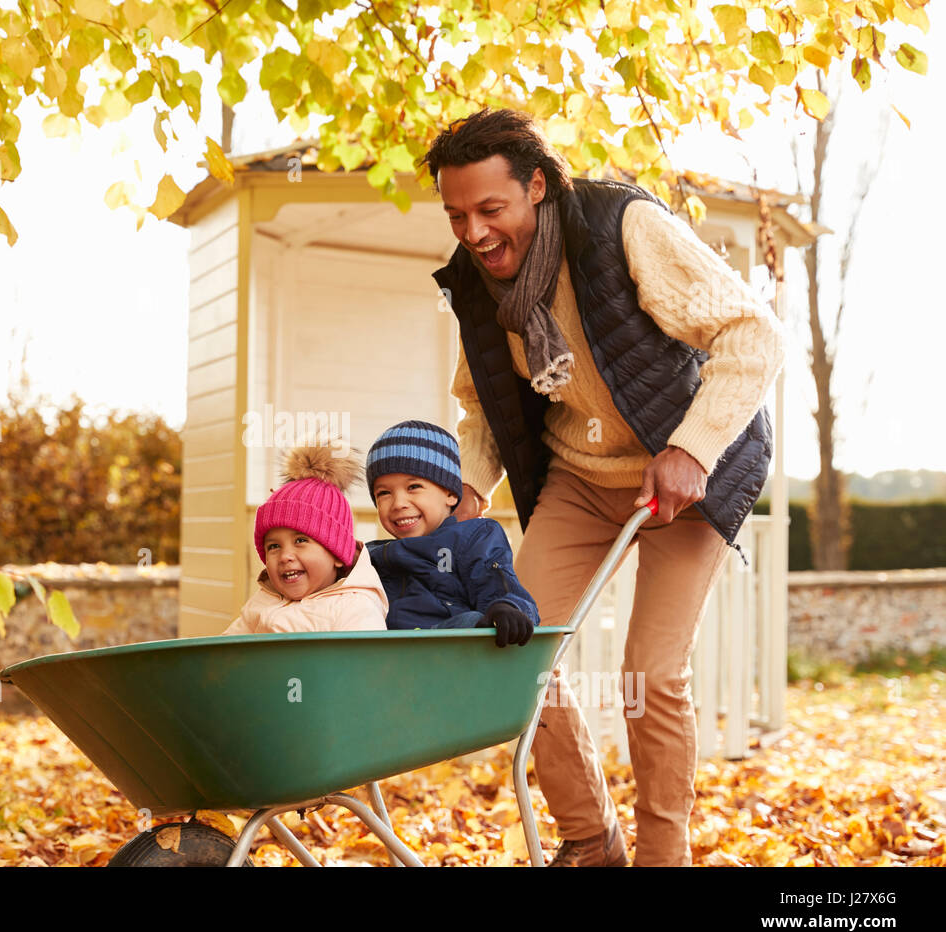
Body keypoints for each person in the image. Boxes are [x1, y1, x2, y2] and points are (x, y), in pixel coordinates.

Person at [421, 108, 785, 866]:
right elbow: (484, 405)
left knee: (649, 672)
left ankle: (662, 852)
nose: (476, 233)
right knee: (510, 650)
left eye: (492, 210)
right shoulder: (475, 284)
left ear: (540, 186)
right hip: (582, 480)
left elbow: (753, 334)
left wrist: (691, 447)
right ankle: (593, 841)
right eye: (458, 216)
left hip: (685, 475)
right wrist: (468, 487)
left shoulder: (624, 226)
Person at [364, 421, 539, 647]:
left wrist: (506, 607)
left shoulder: (471, 538)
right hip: (391, 657)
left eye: (413, 487)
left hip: (454, 653)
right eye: (384, 493)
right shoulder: (371, 556)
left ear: (450, 494)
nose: (398, 503)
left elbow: (496, 581)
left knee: (472, 621)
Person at [223, 444, 388, 635]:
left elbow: (359, 660)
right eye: (274, 546)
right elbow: (226, 652)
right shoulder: (263, 600)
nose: (285, 556)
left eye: (300, 541)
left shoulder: (354, 606)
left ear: (336, 554)